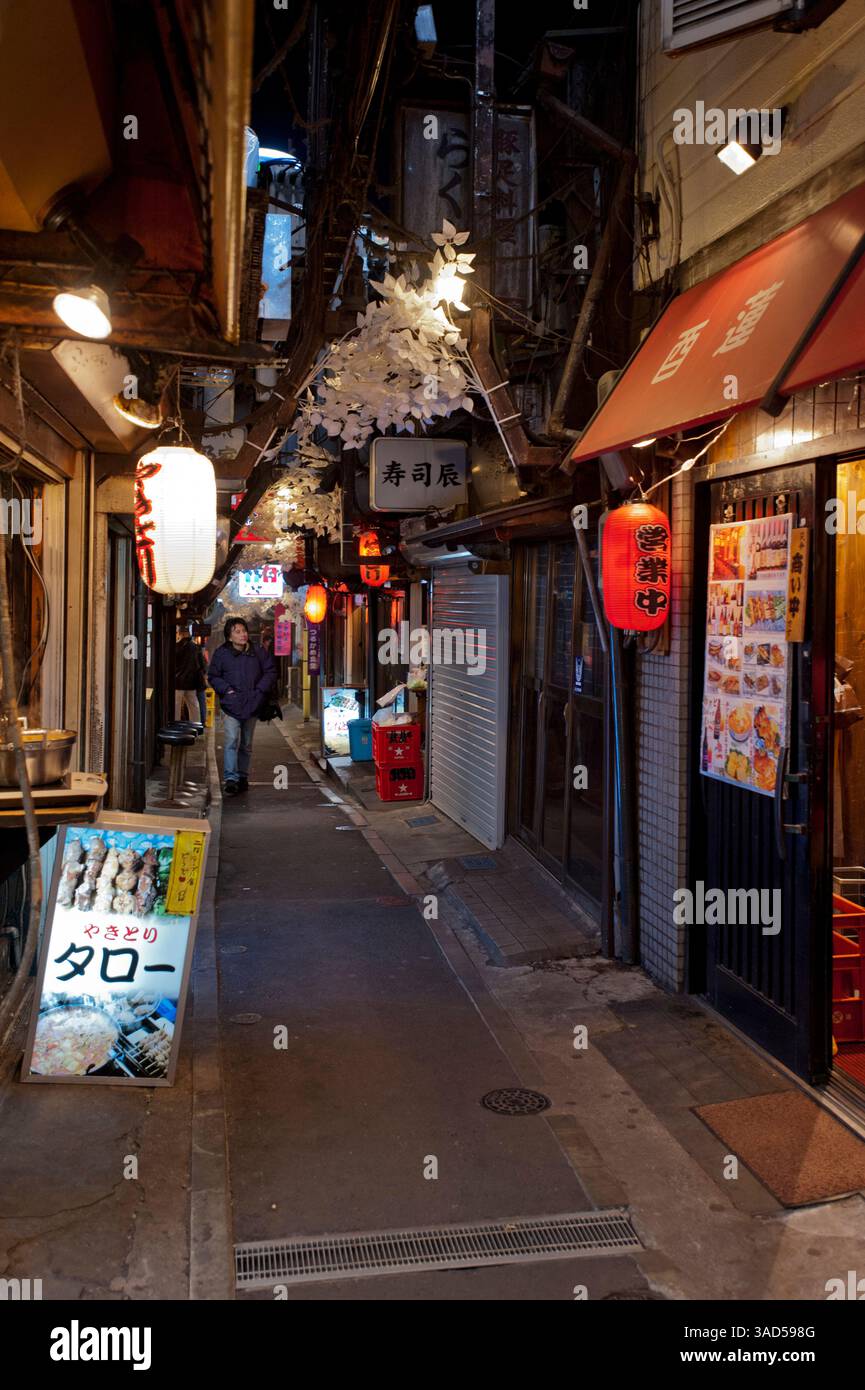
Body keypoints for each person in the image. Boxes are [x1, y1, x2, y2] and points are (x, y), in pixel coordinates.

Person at [207, 617, 276, 796]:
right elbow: (213, 676)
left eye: (243, 630)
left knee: (246, 744)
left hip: (252, 704)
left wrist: (260, 690)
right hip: (232, 705)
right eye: (237, 632)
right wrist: (227, 690)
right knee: (230, 741)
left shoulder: (258, 651)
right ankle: (231, 778)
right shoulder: (222, 654)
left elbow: (270, 671)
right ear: (229, 637)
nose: (243, 634)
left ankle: (243, 775)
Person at [174, 628, 207, 723]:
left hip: (178, 682)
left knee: (176, 707)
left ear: (180, 633)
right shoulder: (196, 648)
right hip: (191, 682)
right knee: (194, 706)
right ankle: (196, 725)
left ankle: (175, 725)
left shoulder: (176, 646)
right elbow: (202, 665)